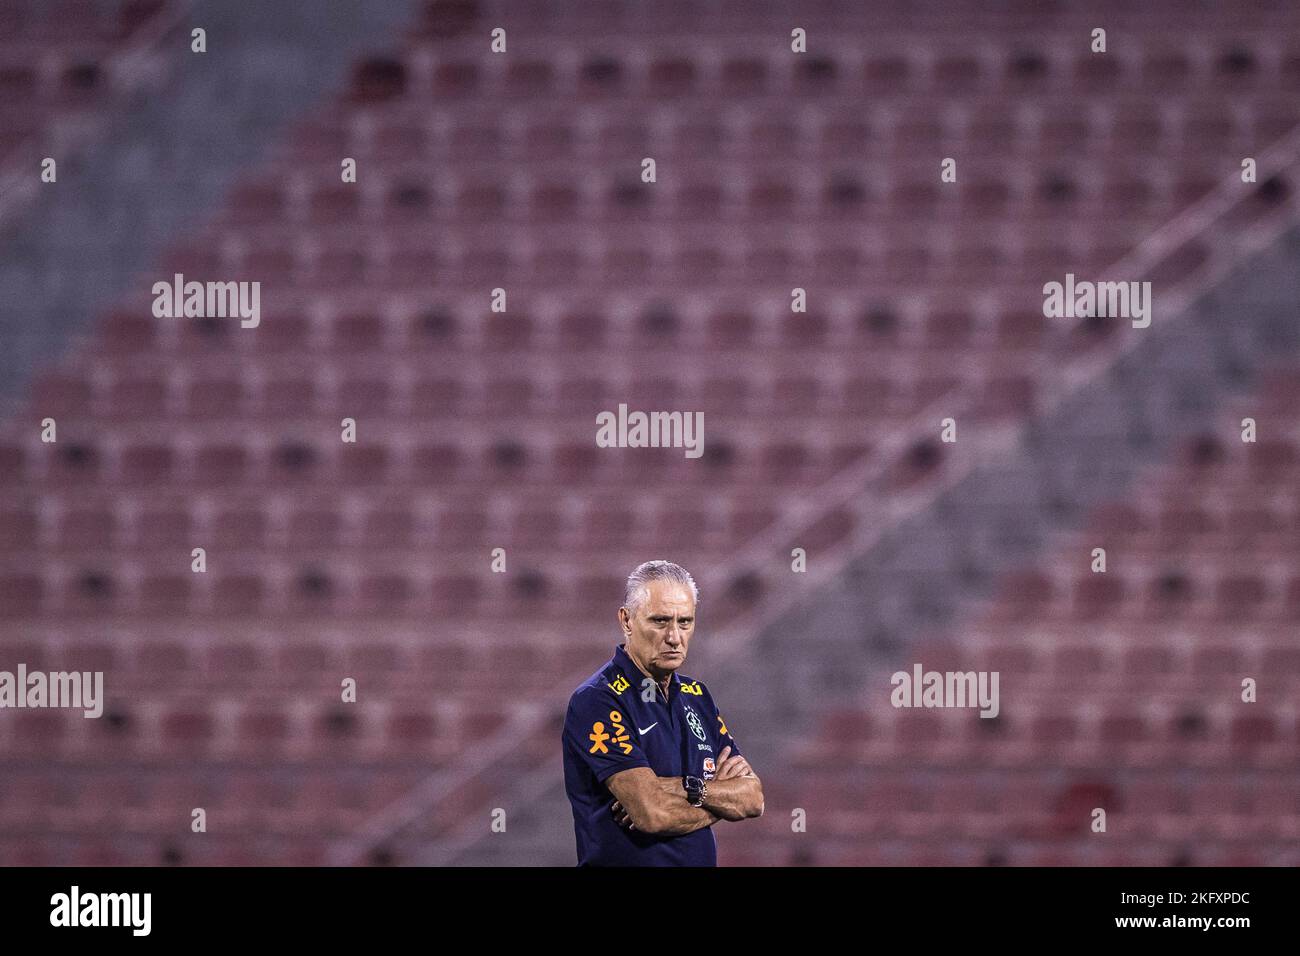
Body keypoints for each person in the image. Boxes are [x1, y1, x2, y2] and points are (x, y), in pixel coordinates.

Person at [562, 560, 763, 865]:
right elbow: (652, 814)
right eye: (660, 621)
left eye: (685, 622)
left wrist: (689, 789)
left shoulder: (698, 696)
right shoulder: (598, 700)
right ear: (627, 620)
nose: (674, 637)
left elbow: (752, 799)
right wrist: (720, 799)